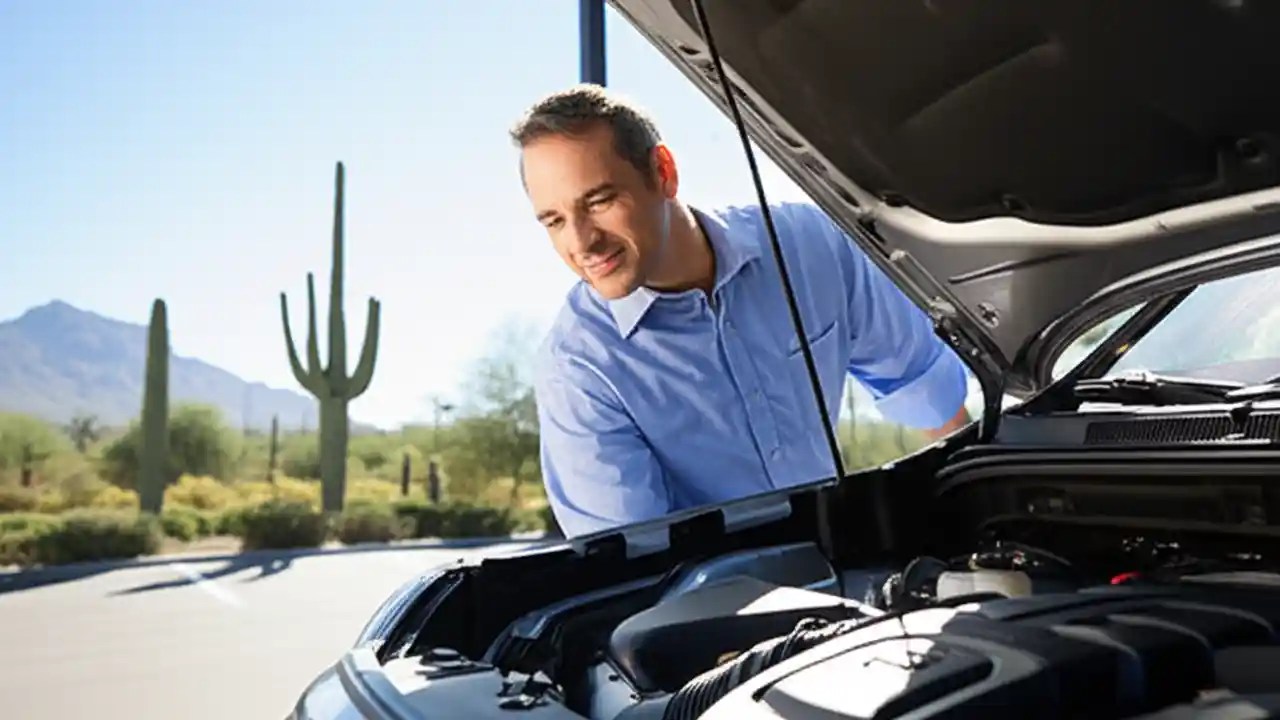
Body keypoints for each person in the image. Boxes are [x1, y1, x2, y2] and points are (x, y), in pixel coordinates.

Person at [510, 84, 971, 538]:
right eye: (554, 220)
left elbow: (931, 394)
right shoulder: (577, 369)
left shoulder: (811, 246)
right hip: (709, 606)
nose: (581, 242)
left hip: (848, 570)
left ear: (663, 172)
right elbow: (630, 566)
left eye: (599, 201)